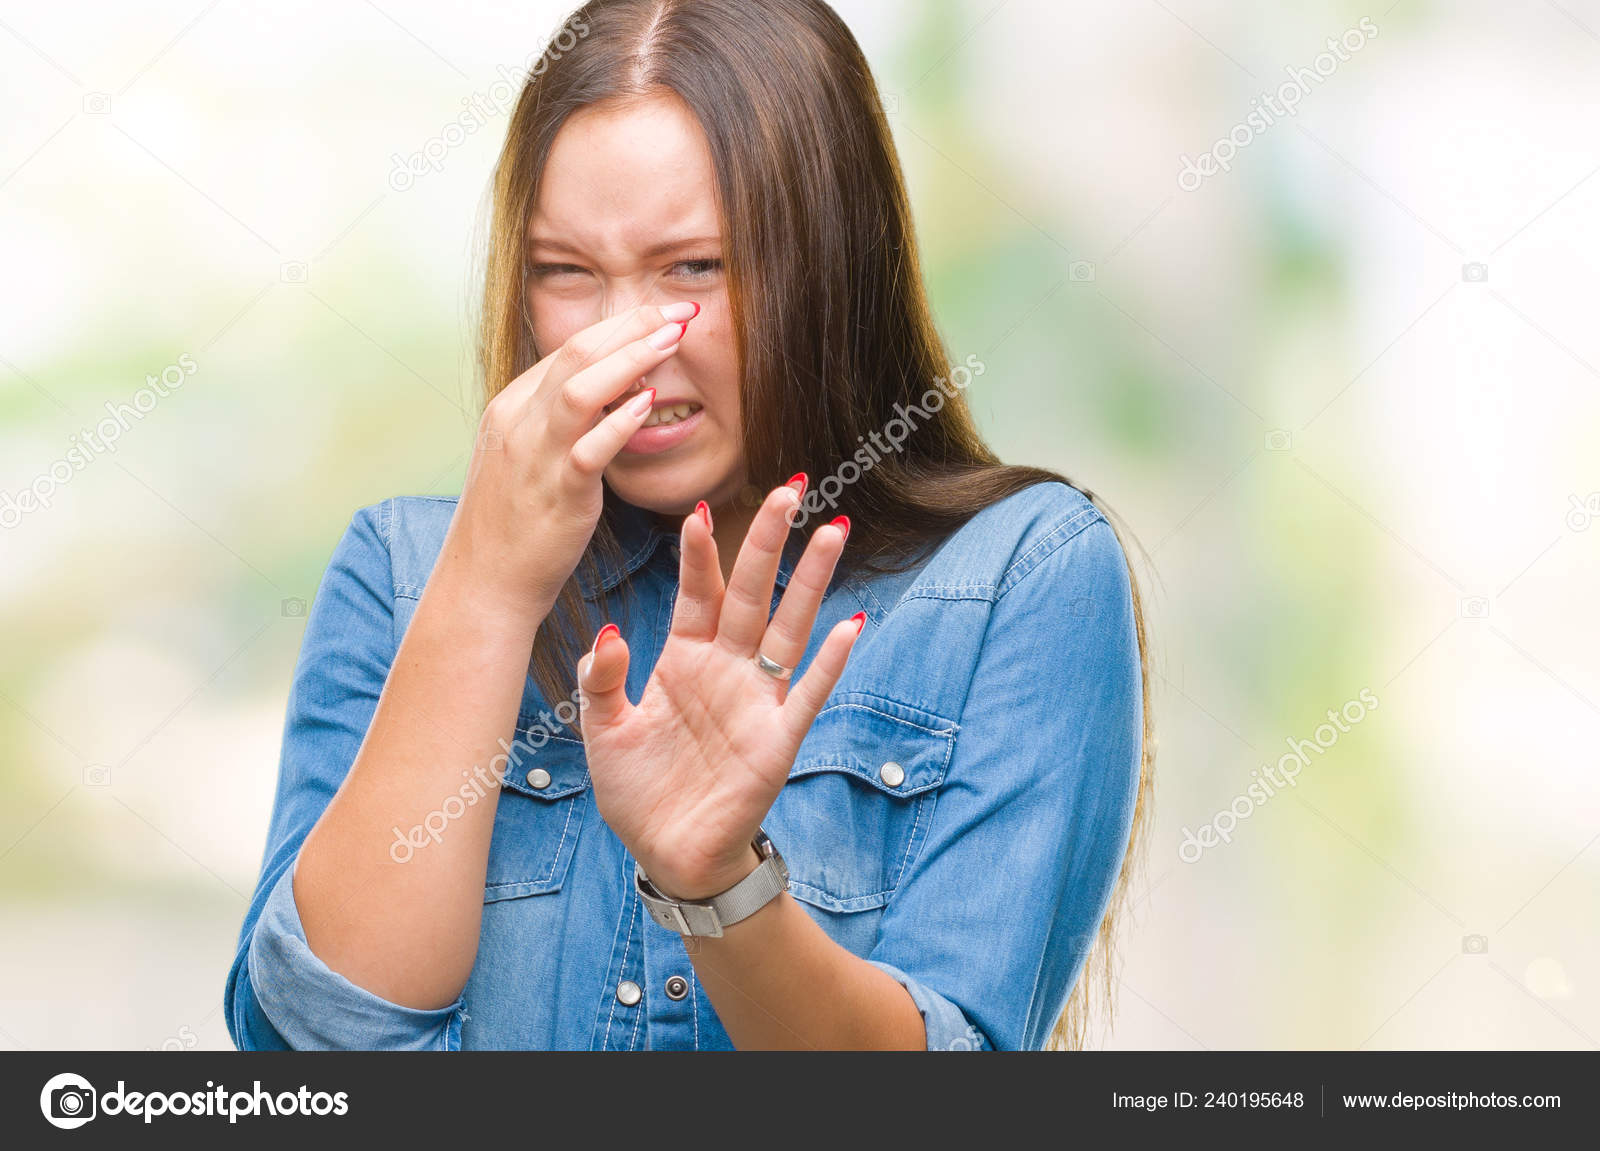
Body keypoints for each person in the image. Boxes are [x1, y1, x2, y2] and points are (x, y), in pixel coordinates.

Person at [225, 0, 1152, 1051]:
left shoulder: (1017, 575)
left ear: (832, 260)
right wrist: (486, 589)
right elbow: (309, 1043)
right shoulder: (401, 572)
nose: (625, 344)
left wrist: (719, 886)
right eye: (564, 271)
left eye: (694, 268)